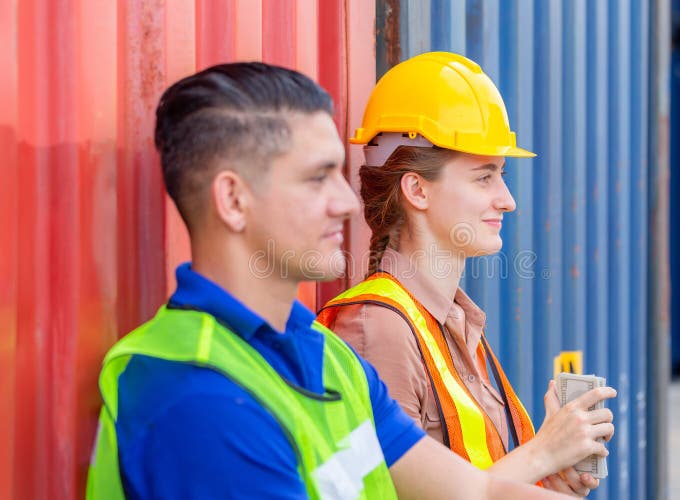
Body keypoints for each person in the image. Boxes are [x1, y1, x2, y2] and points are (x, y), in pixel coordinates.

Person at [85, 62, 575, 499]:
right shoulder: (196, 400)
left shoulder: (327, 357)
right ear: (233, 201)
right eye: (317, 178)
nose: (345, 203)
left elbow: (480, 491)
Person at [316, 52, 616, 497]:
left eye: (502, 175)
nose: (508, 199)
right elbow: (385, 493)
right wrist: (542, 452)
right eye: (484, 177)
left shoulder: (456, 323)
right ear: (417, 189)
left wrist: (548, 481)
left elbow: (475, 481)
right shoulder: (376, 327)